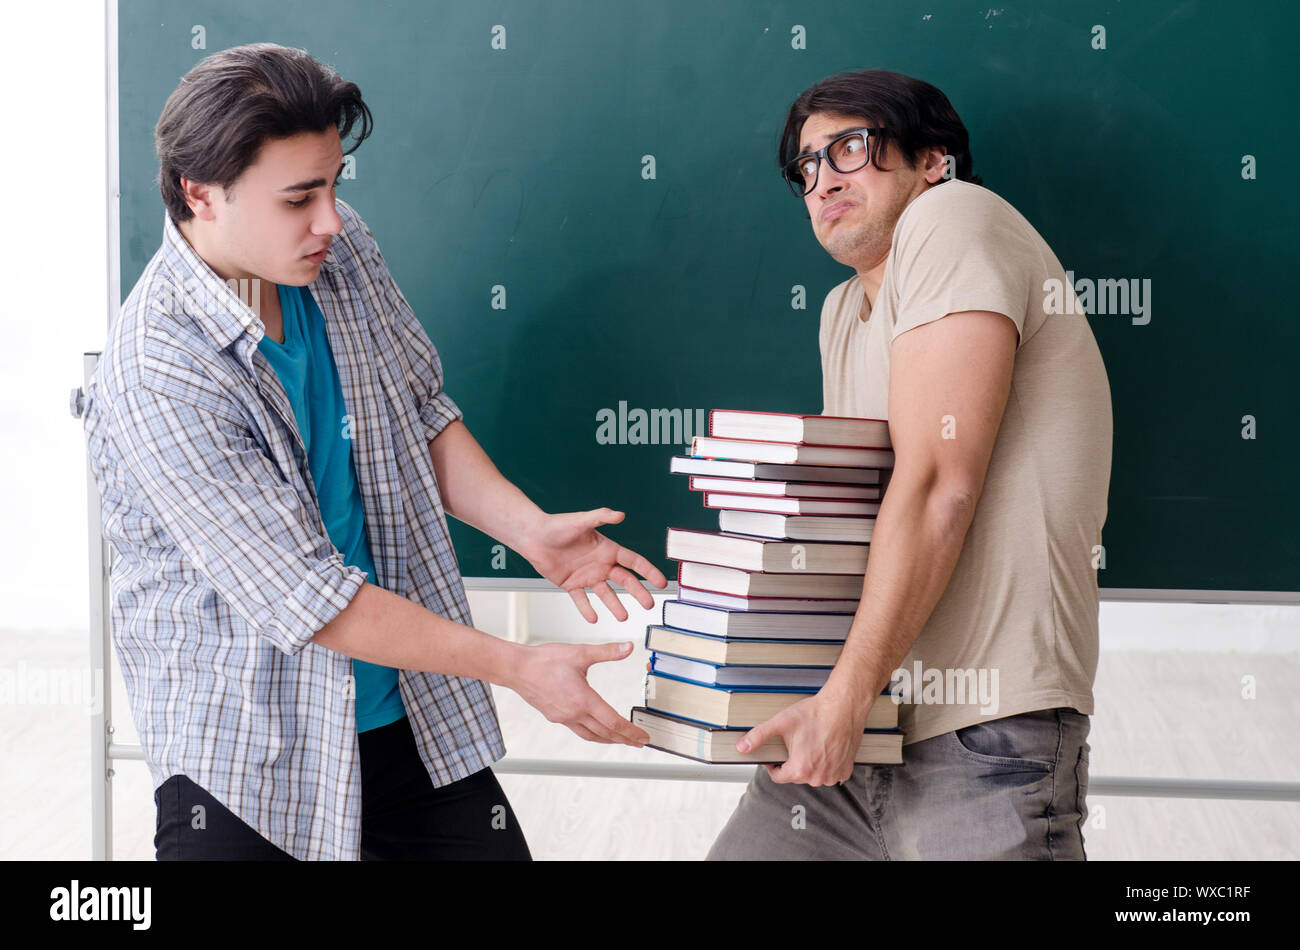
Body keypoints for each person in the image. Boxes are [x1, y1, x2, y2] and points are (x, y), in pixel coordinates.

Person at [82, 42, 665, 861]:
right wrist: (518, 665)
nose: (329, 218)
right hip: (252, 756)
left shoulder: (339, 248)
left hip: (403, 715)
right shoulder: (158, 369)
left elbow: (417, 412)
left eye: (332, 185)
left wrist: (527, 528)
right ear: (200, 194)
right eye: (297, 198)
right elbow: (310, 598)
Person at [707, 69, 1112, 860]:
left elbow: (934, 489)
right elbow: (854, 519)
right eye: (806, 166)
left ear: (935, 160)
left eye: (851, 147)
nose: (822, 179)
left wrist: (845, 698)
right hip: (864, 720)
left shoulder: (953, 218)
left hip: (984, 734)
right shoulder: (842, 308)